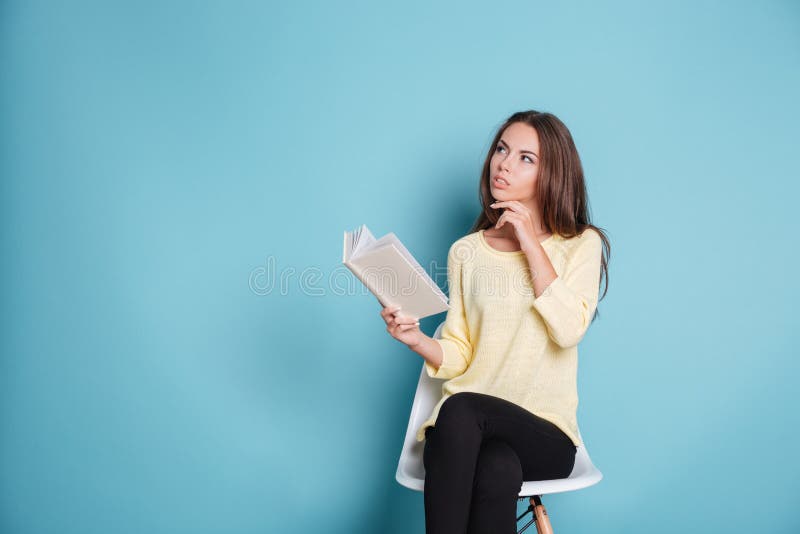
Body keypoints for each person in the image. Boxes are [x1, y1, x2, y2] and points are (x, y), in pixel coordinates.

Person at [380, 110, 611, 534]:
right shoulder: (467, 251)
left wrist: (529, 241)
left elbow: (568, 329)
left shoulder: (580, 244)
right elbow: (460, 351)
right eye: (502, 149)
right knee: (497, 467)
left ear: (552, 175)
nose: (503, 163)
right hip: (460, 437)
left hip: (544, 435)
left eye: (526, 157)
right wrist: (415, 339)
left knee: (463, 408)